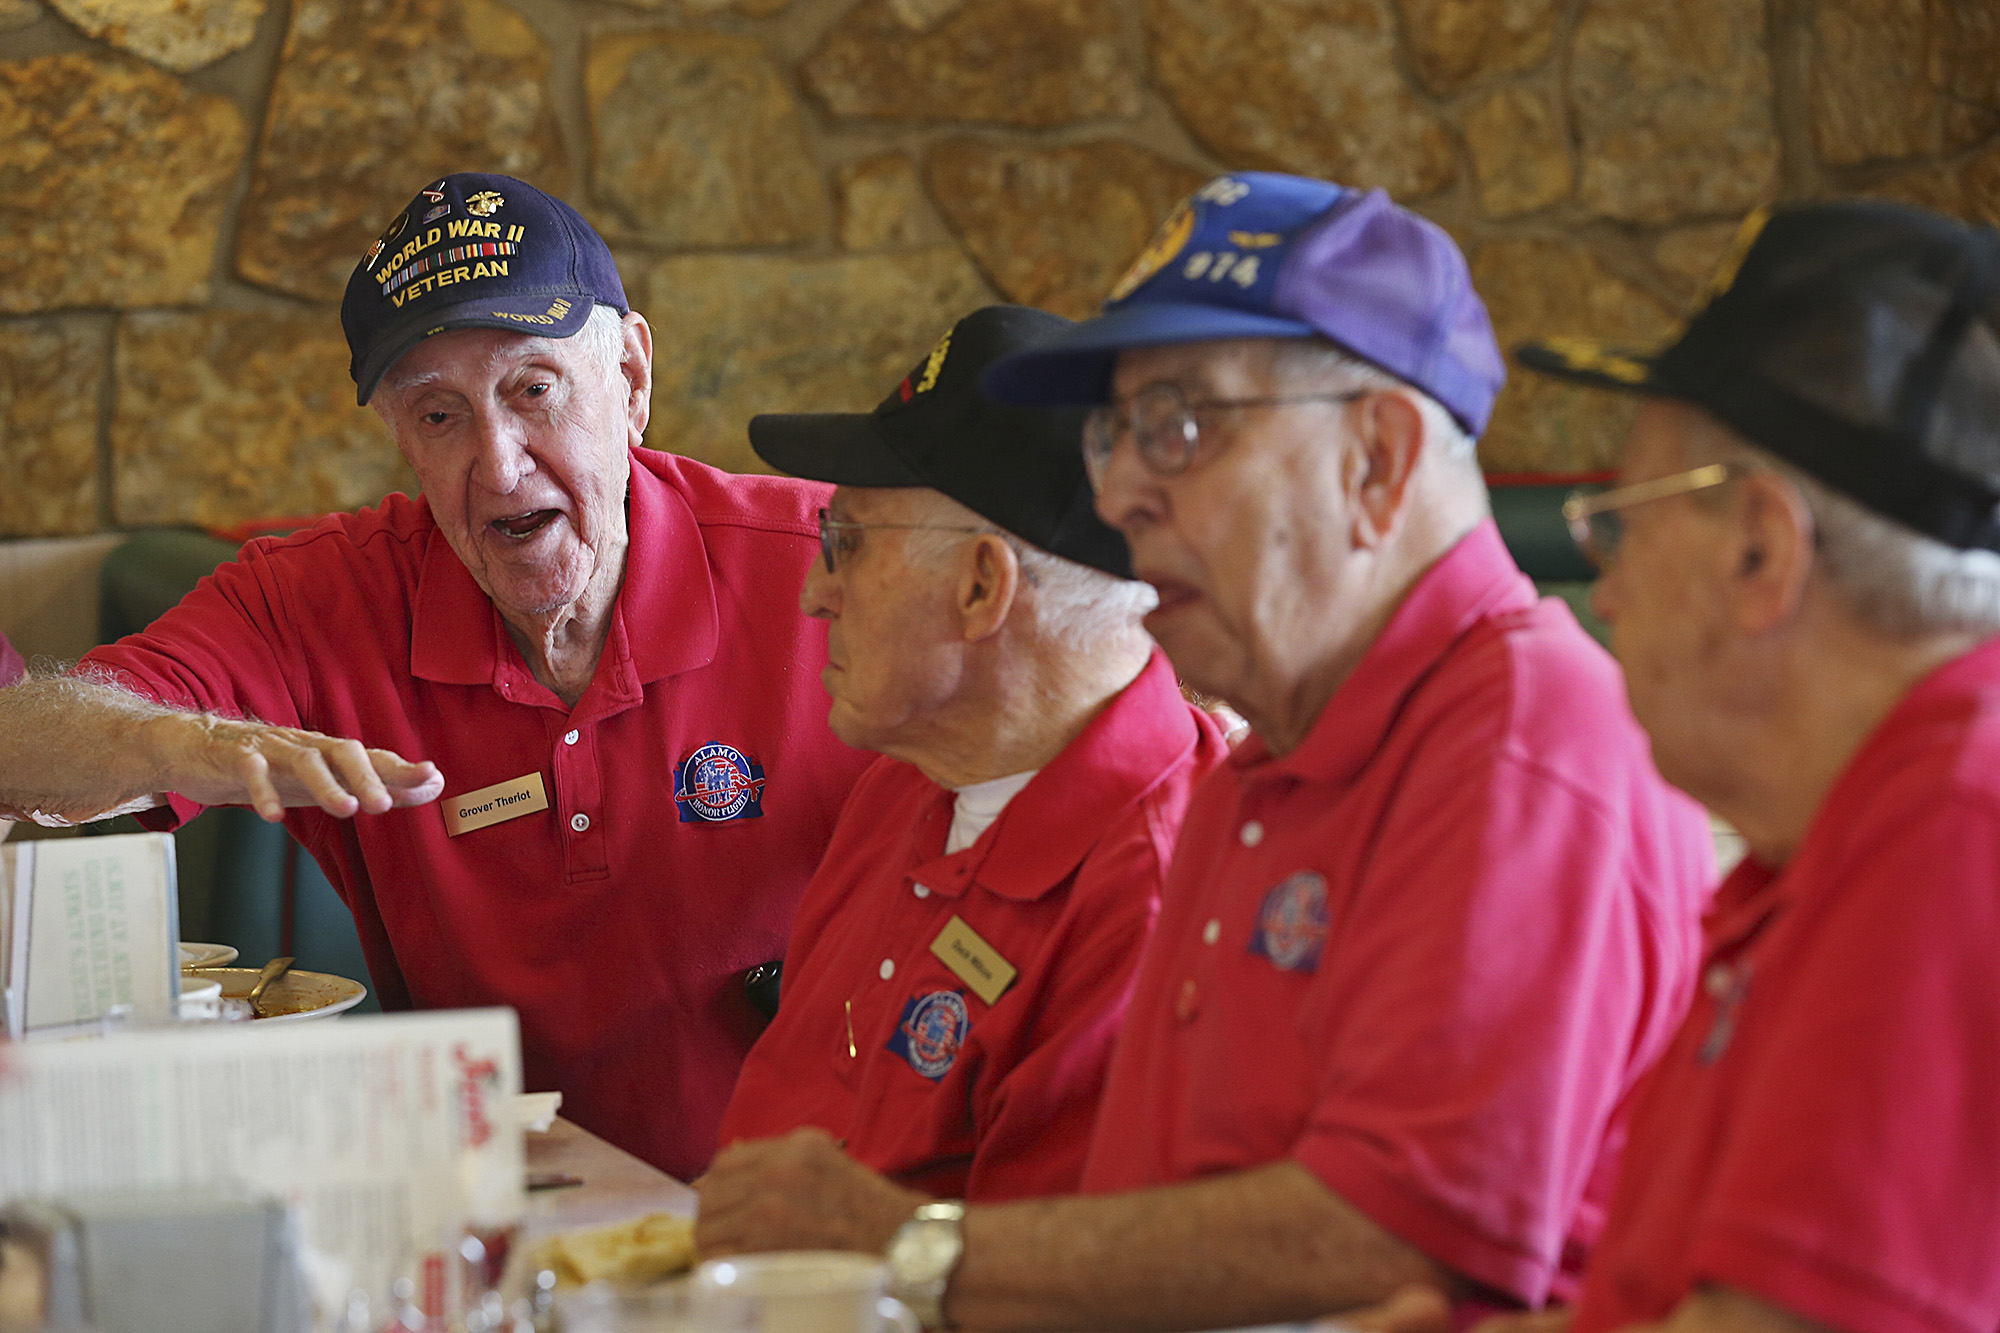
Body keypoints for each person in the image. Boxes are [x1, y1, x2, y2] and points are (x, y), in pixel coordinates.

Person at [690, 172, 1715, 1328]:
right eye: (1113, 434)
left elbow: (1403, 1235)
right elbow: (1147, 1208)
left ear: (1373, 461)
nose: (1118, 489)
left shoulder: (1522, 740)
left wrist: (909, 1252)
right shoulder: (1263, 767)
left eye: (1177, 427)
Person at [0, 173, 874, 1180]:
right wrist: (181, 743)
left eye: (532, 390)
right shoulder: (324, 598)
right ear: (395, 433)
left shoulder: (829, 563)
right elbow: (20, 742)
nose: (499, 465)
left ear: (631, 377)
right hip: (510, 1224)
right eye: (439, 414)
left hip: (821, 1232)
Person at [1499, 200, 2000, 1333]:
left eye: (1617, 523)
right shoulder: (1833, 838)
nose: (1606, 593)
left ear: (1760, 550)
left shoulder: (1952, 831)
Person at [697, 304, 1226, 1226]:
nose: (816, 593)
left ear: (982, 586)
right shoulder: (909, 779)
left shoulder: (1156, 901)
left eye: (847, 543)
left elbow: (1040, 1299)